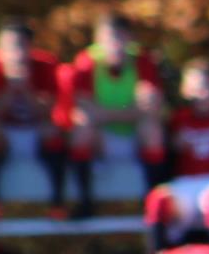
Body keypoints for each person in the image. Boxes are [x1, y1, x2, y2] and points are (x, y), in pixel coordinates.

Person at [59, 13, 170, 196]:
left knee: (152, 128)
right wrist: (131, 111)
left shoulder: (143, 60)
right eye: (109, 38)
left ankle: (153, 197)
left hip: (132, 134)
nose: (114, 44)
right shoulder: (87, 62)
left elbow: (152, 107)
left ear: (130, 39)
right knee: (82, 126)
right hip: (102, 137)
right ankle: (85, 200)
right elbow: (84, 109)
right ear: (98, 40)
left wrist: (105, 113)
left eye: (120, 37)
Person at [0, 19, 65, 221]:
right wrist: (10, 87)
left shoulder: (45, 65)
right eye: (7, 46)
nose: (13, 52)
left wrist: (27, 87)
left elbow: (47, 110)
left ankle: (58, 203)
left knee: (53, 131)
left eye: (19, 45)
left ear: (29, 46)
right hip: (5, 131)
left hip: (35, 128)